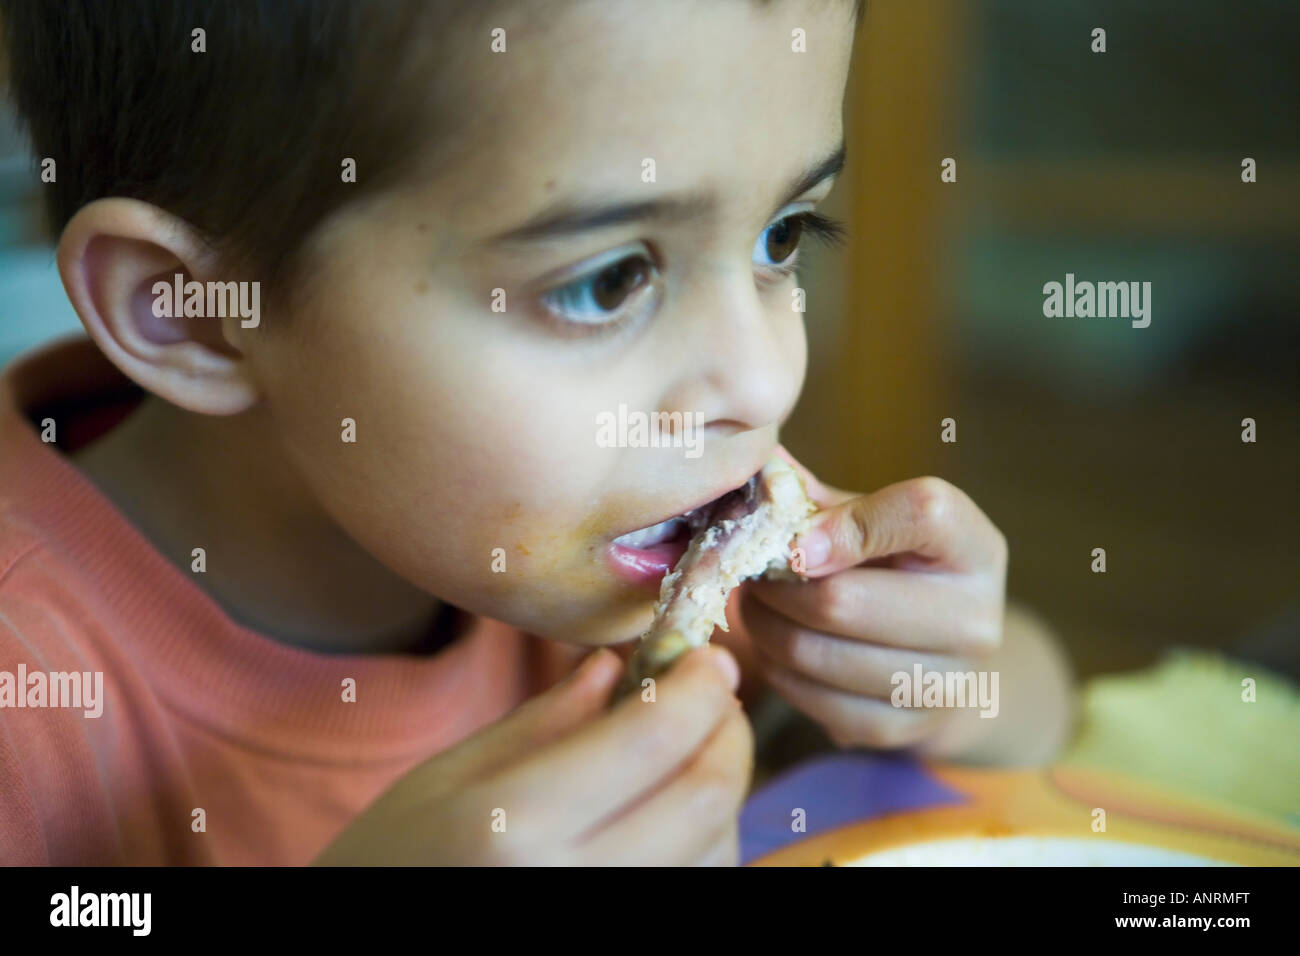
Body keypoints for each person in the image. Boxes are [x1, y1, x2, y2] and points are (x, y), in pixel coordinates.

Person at [0, 0, 1072, 866]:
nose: (759, 376)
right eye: (608, 280)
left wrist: (936, 673)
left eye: (780, 235)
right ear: (192, 313)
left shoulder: (618, 547)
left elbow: (1036, 718)